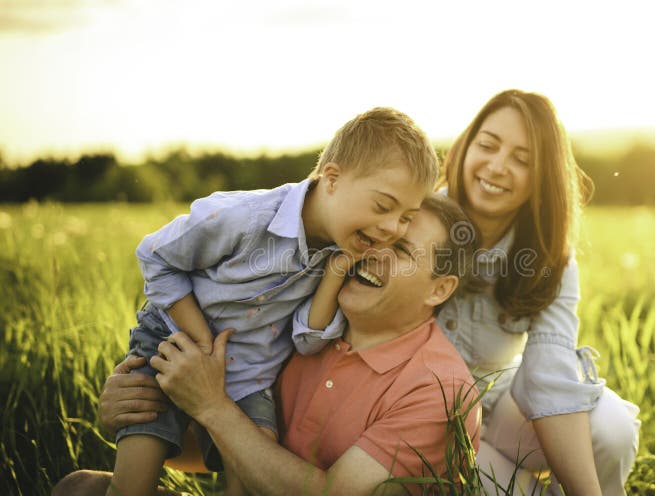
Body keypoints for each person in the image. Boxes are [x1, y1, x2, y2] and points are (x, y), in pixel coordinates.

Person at [106, 107, 439, 496]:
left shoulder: (347, 248)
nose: (391, 228)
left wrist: (335, 271)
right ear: (331, 178)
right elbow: (155, 256)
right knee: (132, 482)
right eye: (384, 207)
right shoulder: (244, 218)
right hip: (174, 342)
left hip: (249, 373)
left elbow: (307, 340)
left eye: (406, 218)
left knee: (250, 474)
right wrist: (202, 345)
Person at [53, 195, 481, 496]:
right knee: (80, 488)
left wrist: (211, 405)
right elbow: (231, 446)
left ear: (438, 289)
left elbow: (333, 494)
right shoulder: (301, 323)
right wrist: (139, 409)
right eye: (375, 238)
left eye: (401, 250)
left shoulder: (439, 389)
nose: (372, 253)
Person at [436, 89, 641, 495]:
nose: (497, 167)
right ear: (466, 146)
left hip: (500, 405)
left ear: (541, 177)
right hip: (422, 419)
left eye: (521, 159)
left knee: (611, 430)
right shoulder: (417, 223)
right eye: (488, 146)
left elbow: (549, 373)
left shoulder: (549, 259)